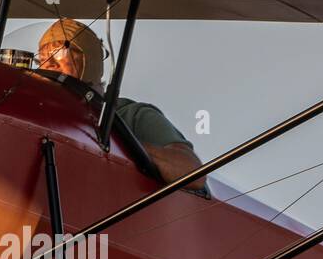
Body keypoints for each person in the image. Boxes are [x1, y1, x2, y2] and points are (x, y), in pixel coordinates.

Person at [36, 20, 206, 191]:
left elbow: (194, 173)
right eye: (42, 60)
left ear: (89, 63)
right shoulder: (47, 117)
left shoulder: (131, 115)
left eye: (58, 57)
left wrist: (122, 146)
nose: (47, 66)